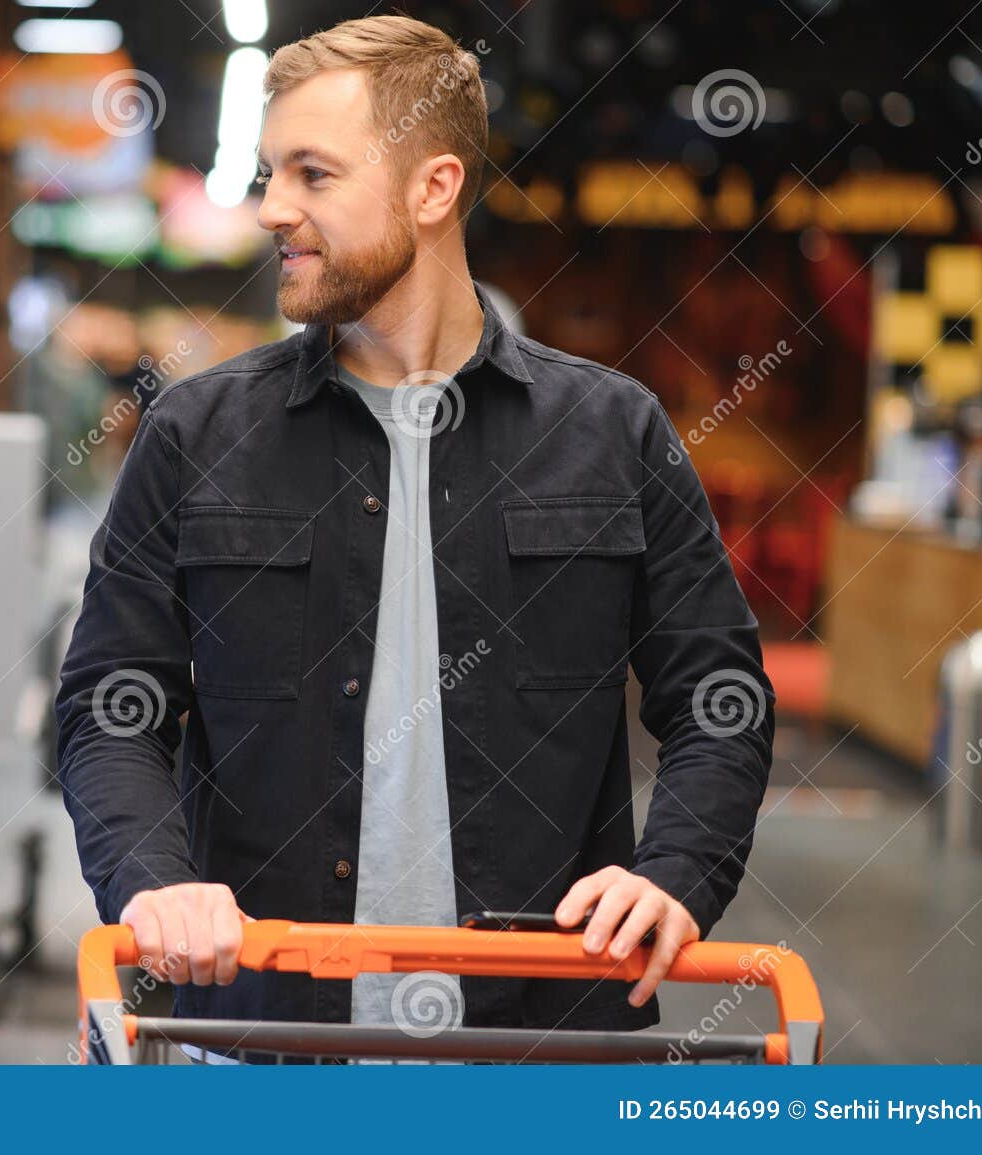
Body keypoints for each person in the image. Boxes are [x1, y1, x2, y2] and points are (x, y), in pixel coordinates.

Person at [55, 14, 773, 1037]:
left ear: (433, 189)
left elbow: (717, 697)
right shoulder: (196, 435)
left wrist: (675, 875)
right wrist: (153, 879)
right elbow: (109, 708)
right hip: (269, 1040)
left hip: (538, 1045)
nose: (271, 209)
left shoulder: (609, 433)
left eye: (312, 174)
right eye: (269, 174)